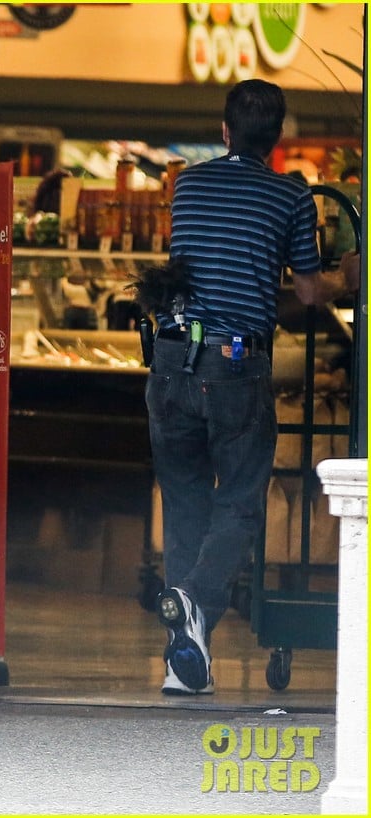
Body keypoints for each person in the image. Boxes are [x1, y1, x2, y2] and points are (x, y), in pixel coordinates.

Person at [148, 79, 361, 696]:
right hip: (237, 367)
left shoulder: (188, 185)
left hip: (171, 359)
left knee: (185, 503)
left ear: (224, 130)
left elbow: (186, 263)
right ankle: (192, 600)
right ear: (278, 139)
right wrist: (350, 276)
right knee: (240, 501)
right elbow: (307, 291)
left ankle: (184, 660)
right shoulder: (290, 198)